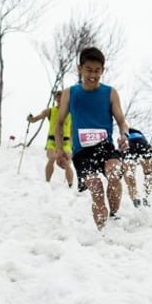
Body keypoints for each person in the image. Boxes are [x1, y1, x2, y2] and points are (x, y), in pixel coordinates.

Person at [56, 47, 131, 230]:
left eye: (97, 70)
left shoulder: (110, 93)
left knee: (114, 174)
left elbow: (122, 121)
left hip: (106, 147)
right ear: (79, 69)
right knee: (96, 187)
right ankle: (102, 232)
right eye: (89, 70)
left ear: (103, 70)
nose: (93, 75)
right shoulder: (70, 93)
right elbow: (59, 124)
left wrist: (124, 136)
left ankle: (114, 215)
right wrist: (60, 150)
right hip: (82, 152)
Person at [27, 90, 75, 188]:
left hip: (65, 142)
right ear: (55, 99)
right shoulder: (50, 111)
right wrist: (30, 119)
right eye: (57, 96)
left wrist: (72, 143)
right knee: (52, 157)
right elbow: (35, 119)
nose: (59, 98)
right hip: (52, 141)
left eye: (61, 96)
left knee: (67, 162)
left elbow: (73, 130)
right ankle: (47, 182)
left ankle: (70, 185)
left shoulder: (71, 113)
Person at [121, 127, 152, 207]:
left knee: (130, 176)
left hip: (128, 146)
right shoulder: (144, 141)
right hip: (142, 144)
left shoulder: (125, 139)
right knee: (148, 174)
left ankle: (135, 199)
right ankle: (146, 198)